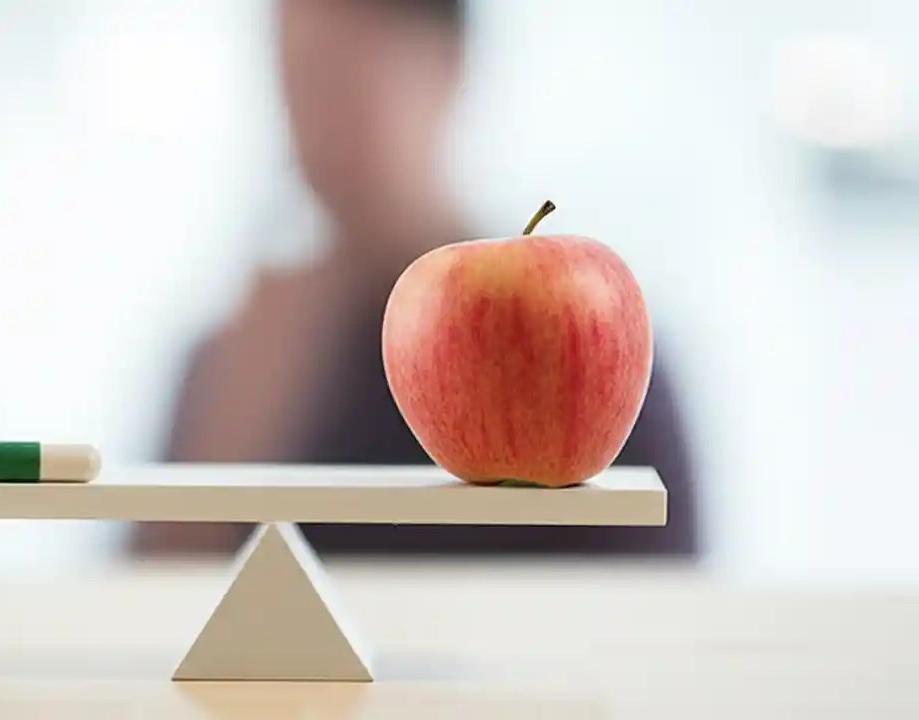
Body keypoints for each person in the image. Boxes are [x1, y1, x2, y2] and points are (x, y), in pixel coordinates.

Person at [132, 0, 697, 556]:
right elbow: (141, 597)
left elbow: (664, 598)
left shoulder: (587, 346)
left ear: (450, 63)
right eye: (296, 78)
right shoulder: (237, 358)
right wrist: (229, 423)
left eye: (342, 75)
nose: (316, 122)